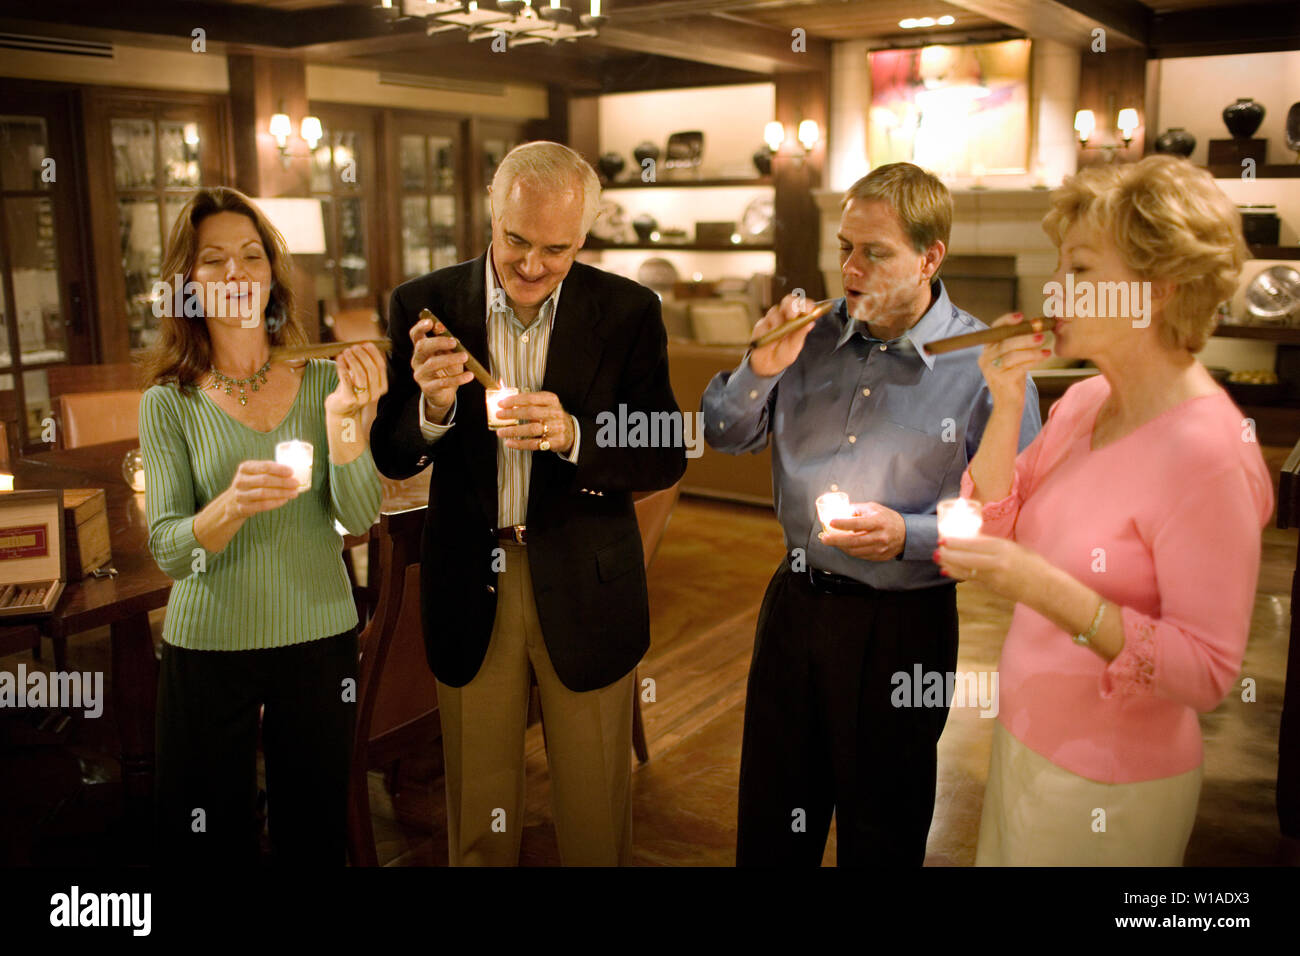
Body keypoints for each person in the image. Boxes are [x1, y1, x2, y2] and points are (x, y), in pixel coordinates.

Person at [936, 155, 1272, 865]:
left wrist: (1040, 586)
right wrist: (1002, 404)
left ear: (1160, 290)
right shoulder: (1087, 401)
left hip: (1109, 784)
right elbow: (995, 520)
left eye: (1081, 271)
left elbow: (1207, 672)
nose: (1053, 288)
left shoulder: (1209, 453)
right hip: (1024, 738)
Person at [703, 162, 1041, 866]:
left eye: (874, 252)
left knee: (882, 834)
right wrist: (759, 369)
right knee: (771, 825)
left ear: (930, 257)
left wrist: (909, 536)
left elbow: (1012, 520)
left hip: (904, 631)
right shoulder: (807, 334)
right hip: (794, 608)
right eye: (844, 248)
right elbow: (724, 433)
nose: (850, 269)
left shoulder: (985, 365)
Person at [371, 141, 685, 866]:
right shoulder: (425, 305)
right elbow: (393, 453)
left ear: (584, 237)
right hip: (468, 579)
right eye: (516, 240)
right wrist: (433, 406)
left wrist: (576, 435)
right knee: (479, 818)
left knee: (594, 817)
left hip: (585, 581)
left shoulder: (630, 311)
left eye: (558, 248)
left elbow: (666, 450)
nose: (533, 266)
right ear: (491, 206)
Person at [140, 186, 385, 864]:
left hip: (319, 638)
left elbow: (357, 515)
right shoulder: (169, 402)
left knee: (314, 836)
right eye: (213, 260)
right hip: (209, 643)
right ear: (188, 283)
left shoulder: (320, 379)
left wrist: (345, 422)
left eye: (251, 255)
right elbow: (168, 549)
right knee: (208, 840)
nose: (236, 273)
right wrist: (229, 506)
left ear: (273, 273)